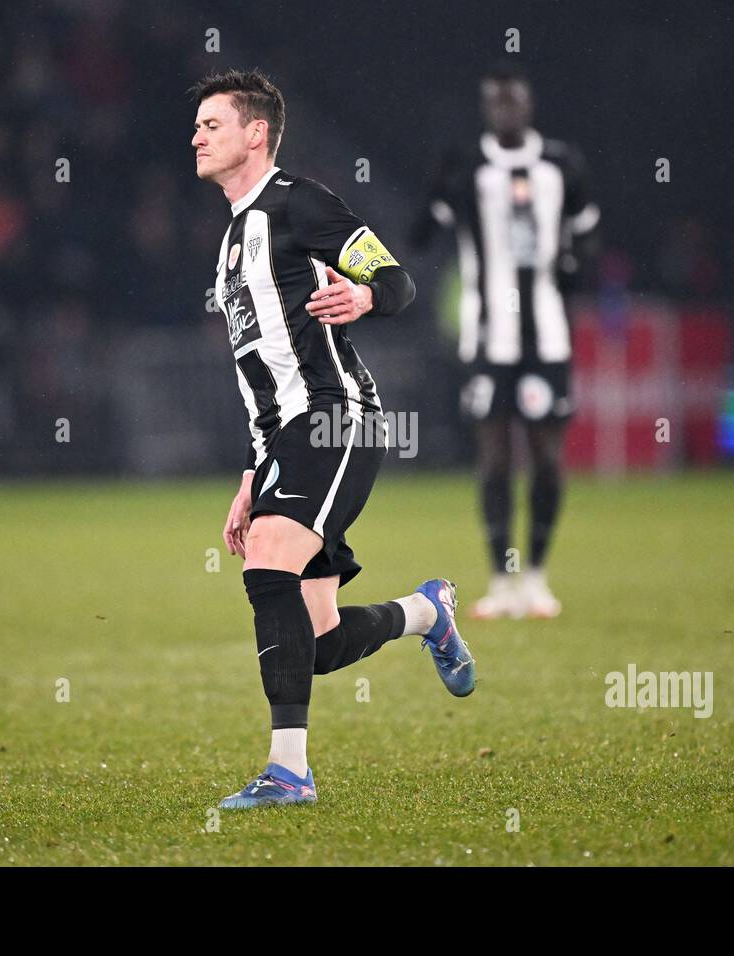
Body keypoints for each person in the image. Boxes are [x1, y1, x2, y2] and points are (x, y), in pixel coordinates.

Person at [190, 69, 476, 809]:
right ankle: (427, 613)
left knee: (268, 560)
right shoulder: (230, 242)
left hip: (334, 415)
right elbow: (260, 376)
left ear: (256, 133)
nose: (196, 136)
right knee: (314, 644)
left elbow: (401, 282)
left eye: (211, 124)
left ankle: (289, 772)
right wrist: (254, 475)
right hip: (286, 434)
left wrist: (366, 294)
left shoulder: (299, 204)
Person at [413, 66, 599, 619]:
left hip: (546, 337)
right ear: (486, 109)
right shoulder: (470, 167)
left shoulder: (562, 164)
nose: (506, 113)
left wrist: (573, 270)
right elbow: (419, 234)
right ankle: (500, 579)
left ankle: (536, 576)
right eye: (496, 104)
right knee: (493, 459)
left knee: (545, 456)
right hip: (487, 338)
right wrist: (437, 182)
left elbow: (587, 236)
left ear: (529, 105)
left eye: (514, 102)